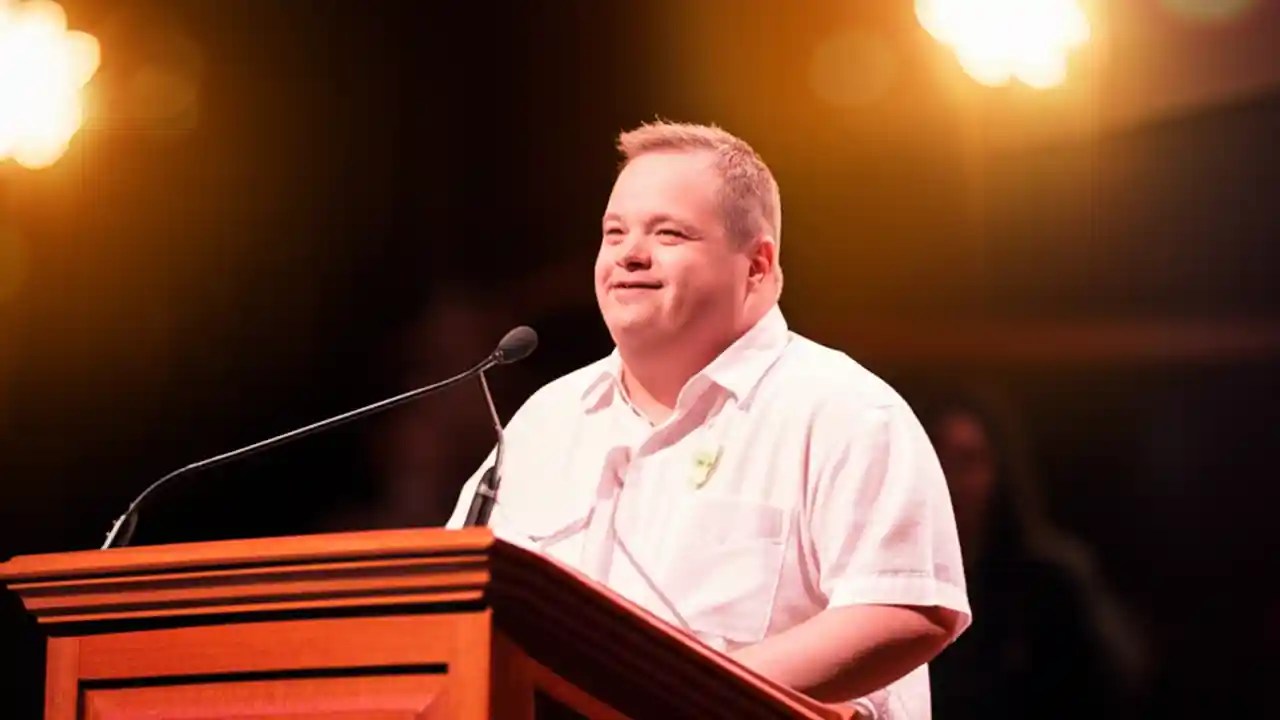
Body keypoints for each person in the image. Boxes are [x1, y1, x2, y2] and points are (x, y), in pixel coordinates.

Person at [447, 121, 970, 717]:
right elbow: (450, 611)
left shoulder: (844, 411)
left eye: (669, 233)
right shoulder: (546, 422)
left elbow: (907, 609)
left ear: (756, 266)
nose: (628, 254)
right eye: (614, 232)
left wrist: (669, 697)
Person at [915, 386, 1149, 719]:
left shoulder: (1051, 583)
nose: (953, 480)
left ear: (998, 472)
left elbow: (1102, 691)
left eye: (969, 461)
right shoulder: (888, 582)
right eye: (939, 460)